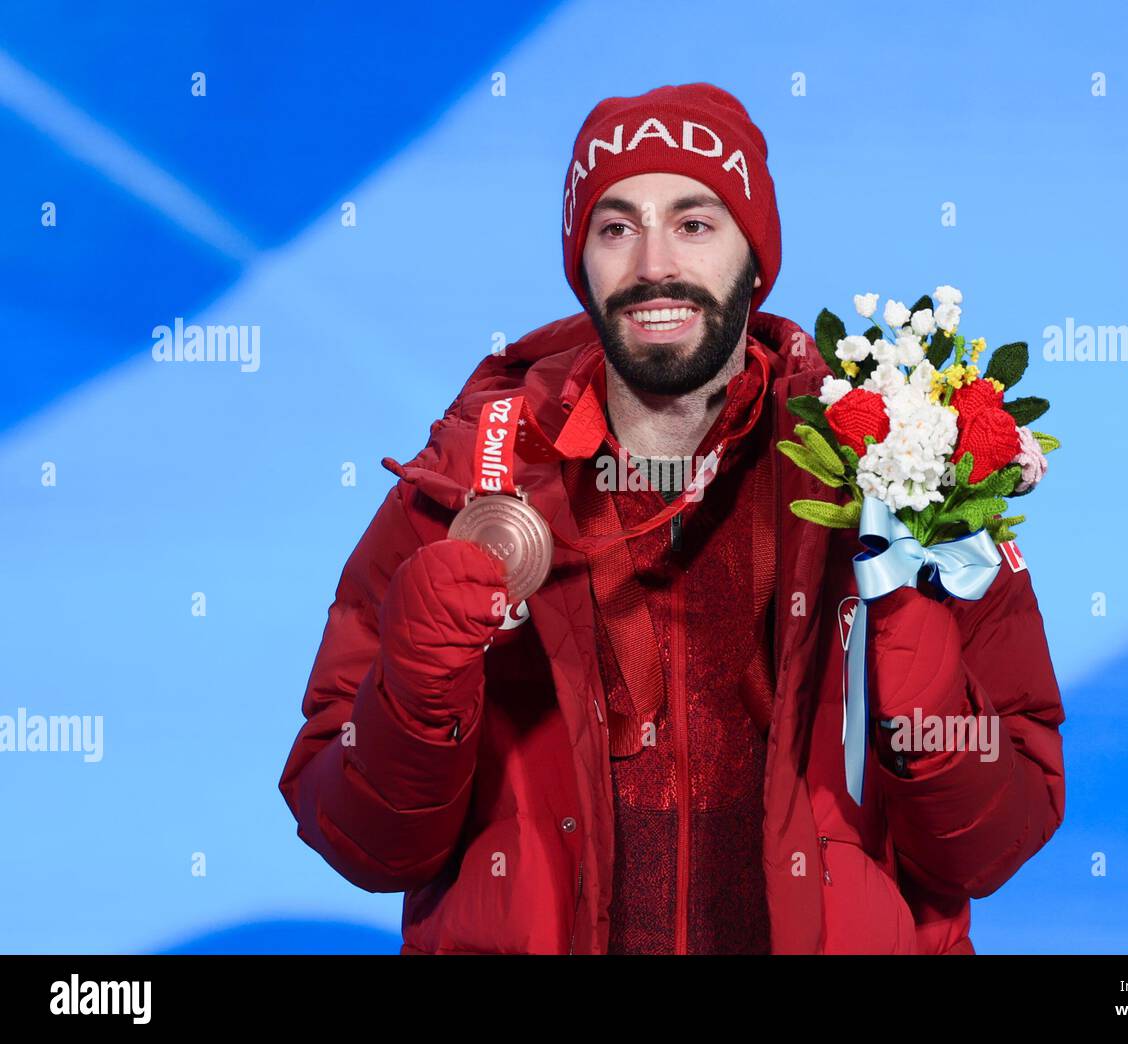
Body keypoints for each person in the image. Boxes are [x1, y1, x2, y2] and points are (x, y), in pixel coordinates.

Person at [277, 82, 1067, 955]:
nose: (654, 264)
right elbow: (365, 844)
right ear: (582, 266)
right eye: (616, 229)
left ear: (755, 259)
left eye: (694, 223)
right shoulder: (464, 491)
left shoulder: (895, 478)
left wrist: (927, 707)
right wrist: (417, 689)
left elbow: (992, 846)